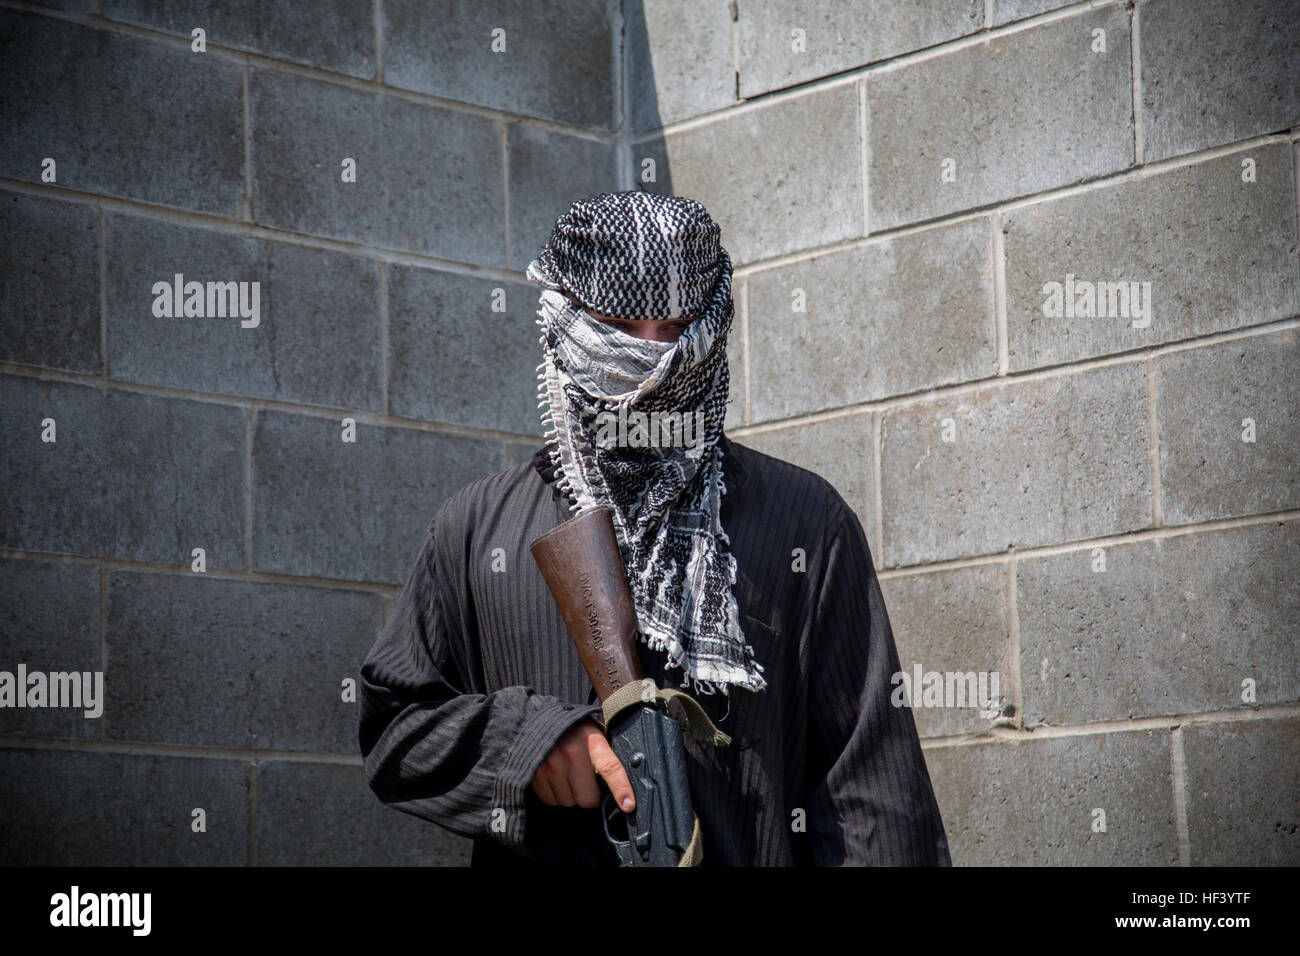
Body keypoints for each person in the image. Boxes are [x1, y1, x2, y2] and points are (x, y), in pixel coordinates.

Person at [358, 190, 951, 866]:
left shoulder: (805, 523)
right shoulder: (477, 529)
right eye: (619, 324)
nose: (652, 359)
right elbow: (394, 727)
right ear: (563, 321)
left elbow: (873, 800)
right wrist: (529, 744)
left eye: (673, 329)